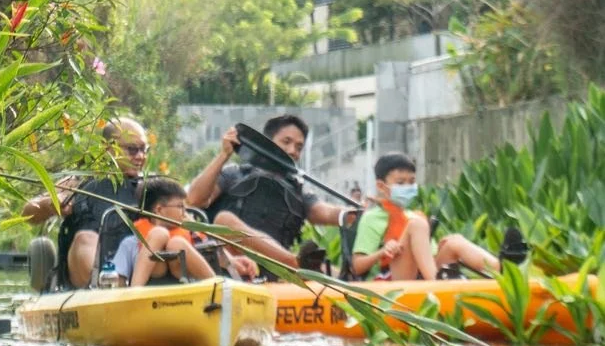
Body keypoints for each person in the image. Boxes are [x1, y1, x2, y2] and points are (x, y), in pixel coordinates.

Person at [185, 114, 343, 270]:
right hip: (230, 267)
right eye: (286, 142)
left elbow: (324, 212)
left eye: (299, 147)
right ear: (268, 142)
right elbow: (193, 200)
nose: (292, 150)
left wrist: (354, 214)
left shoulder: (298, 191)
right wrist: (224, 155)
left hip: (272, 273)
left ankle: (294, 266)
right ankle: (293, 264)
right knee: (223, 220)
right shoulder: (234, 174)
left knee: (333, 272)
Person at [22, 116, 147, 289]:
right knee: (85, 238)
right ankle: (105, 287)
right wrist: (51, 204)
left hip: (135, 265)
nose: (140, 156)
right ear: (108, 149)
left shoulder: (151, 187)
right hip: (87, 269)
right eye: (132, 150)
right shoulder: (78, 181)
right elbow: (27, 212)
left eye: (144, 149)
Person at [350, 152, 516, 280]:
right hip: (393, 281)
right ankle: (435, 284)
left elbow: (430, 256)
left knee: (453, 242)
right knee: (417, 224)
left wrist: (443, 248)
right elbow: (357, 266)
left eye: (411, 182)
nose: (408, 187)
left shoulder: (413, 215)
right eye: (400, 183)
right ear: (381, 185)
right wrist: (382, 252)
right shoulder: (372, 218)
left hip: (422, 275)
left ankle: (502, 268)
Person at [110, 176, 258, 287]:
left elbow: (212, 254)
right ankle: (135, 291)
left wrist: (233, 261)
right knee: (159, 234)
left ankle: (219, 288)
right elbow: (119, 278)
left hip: (190, 294)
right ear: (159, 210)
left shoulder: (190, 236)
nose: (185, 212)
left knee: (176, 243)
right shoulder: (130, 244)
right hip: (149, 295)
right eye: (180, 207)